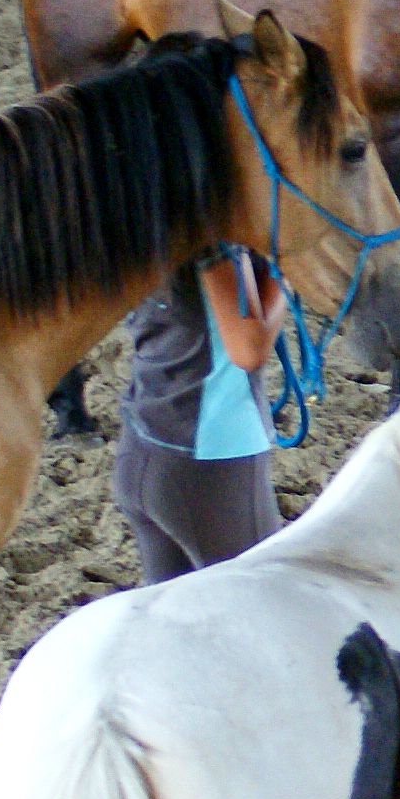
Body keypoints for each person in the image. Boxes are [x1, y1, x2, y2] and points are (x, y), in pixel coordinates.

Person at [111, 244, 290, 582]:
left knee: (176, 627)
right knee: (261, 607)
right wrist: (287, 272)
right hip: (214, 461)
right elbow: (249, 348)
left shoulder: (151, 218)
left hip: (143, 446)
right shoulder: (215, 238)